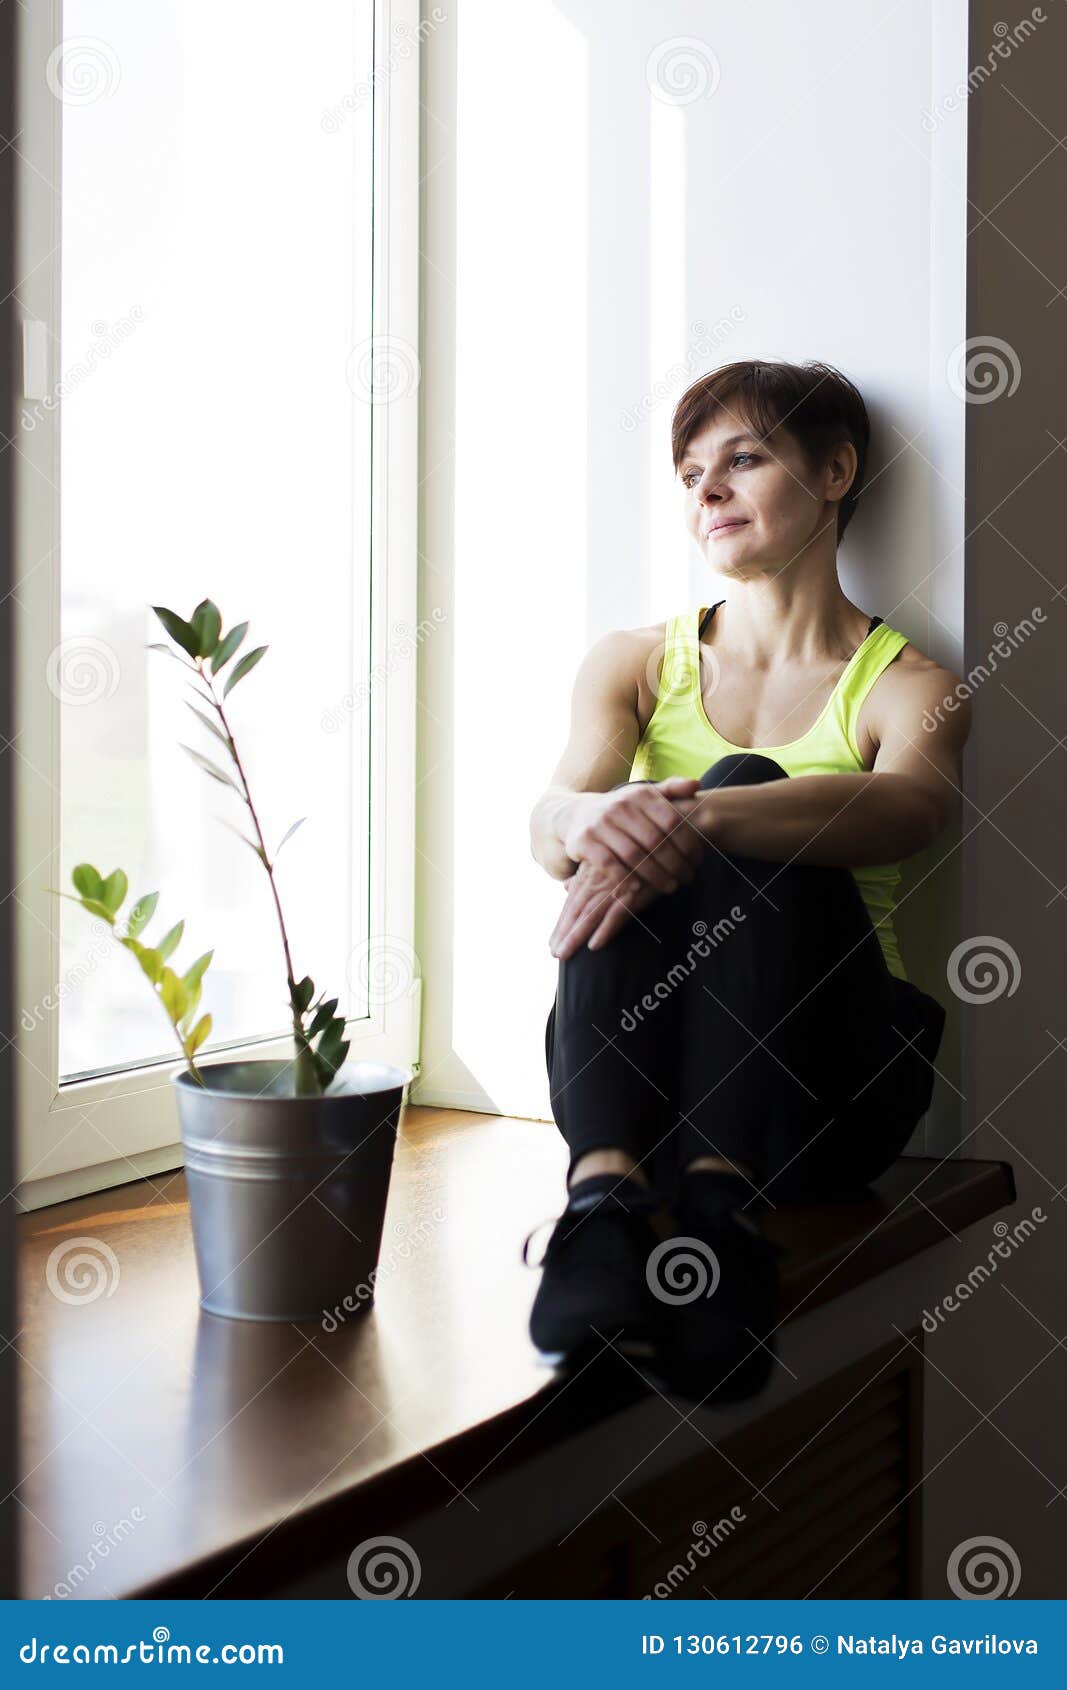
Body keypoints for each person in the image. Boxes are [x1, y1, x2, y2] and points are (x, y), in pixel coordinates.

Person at [524, 358, 970, 1405]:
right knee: (617, 835)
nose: (705, 492)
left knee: (727, 787)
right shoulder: (633, 663)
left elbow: (911, 808)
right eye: (689, 474)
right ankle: (600, 1212)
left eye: (743, 459)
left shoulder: (908, 685)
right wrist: (590, 818)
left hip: (829, 1099)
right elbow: (550, 829)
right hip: (644, 1098)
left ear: (833, 473)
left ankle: (724, 1222)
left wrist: (695, 810)